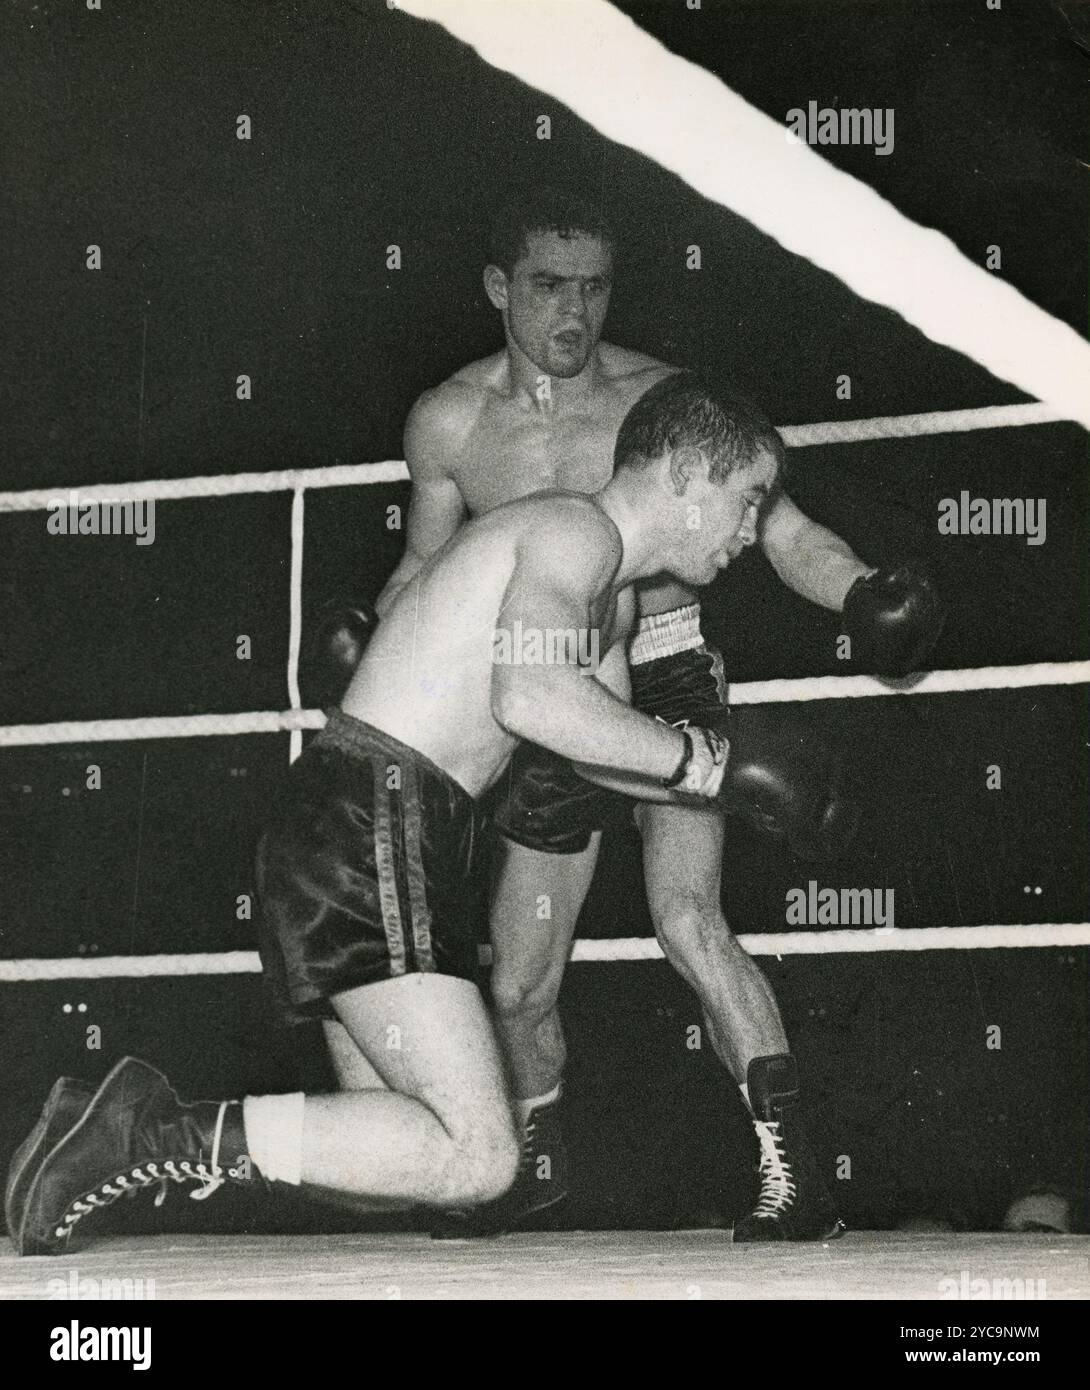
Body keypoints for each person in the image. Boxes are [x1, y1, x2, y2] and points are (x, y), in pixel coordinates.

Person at [9, 373, 847, 1257]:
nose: (752, 533)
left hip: (369, 829)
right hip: (377, 820)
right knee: (480, 1157)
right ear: (682, 471)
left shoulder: (610, 593)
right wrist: (709, 760)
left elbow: (592, 745)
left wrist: (721, 789)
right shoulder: (574, 533)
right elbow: (529, 695)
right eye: (746, 500)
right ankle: (146, 1133)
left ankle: (127, 1132)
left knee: (396, 1156)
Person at [345, 188, 942, 1243]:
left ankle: (792, 1170)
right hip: (552, 696)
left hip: (661, 670)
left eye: (593, 285)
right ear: (498, 288)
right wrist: (372, 637)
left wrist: (858, 591)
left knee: (688, 919)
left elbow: (784, 532)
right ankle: (527, 1160)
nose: (574, 311)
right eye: (547, 284)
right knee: (519, 977)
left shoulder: (666, 403)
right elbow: (424, 569)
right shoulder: (449, 422)